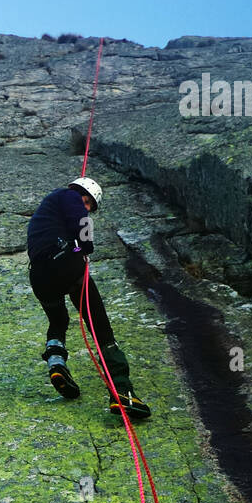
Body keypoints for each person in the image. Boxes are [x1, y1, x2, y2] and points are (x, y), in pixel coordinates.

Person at [27, 174, 152, 419]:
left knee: (58, 321)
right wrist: (84, 247)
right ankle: (122, 393)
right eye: (88, 203)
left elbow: (65, 237)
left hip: (39, 276)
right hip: (65, 265)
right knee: (101, 328)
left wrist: (75, 247)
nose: (87, 208)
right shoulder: (69, 195)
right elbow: (81, 225)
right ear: (82, 193)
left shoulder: (48, 210)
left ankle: (56, 363)